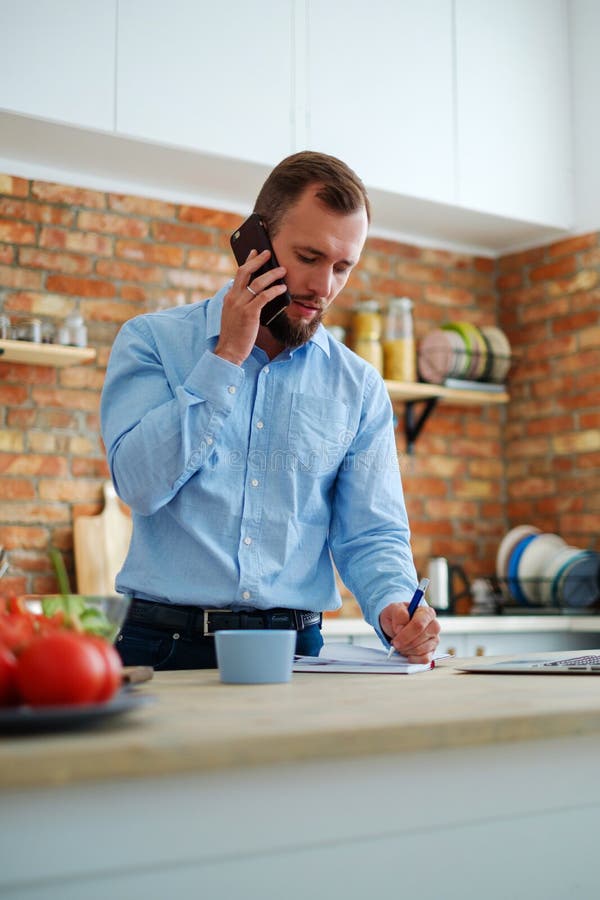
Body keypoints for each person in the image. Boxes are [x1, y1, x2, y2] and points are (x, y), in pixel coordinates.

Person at [100, 151, 441, 669]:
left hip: (296, 654)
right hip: (163, 646)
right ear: (256, 243)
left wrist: (393, 604)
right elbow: (139, 485)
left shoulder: (359, 386)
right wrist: (225, 358)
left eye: (343, 267)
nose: (324, 288)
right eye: (309, 257)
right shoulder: (152, 341)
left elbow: (372, 533)